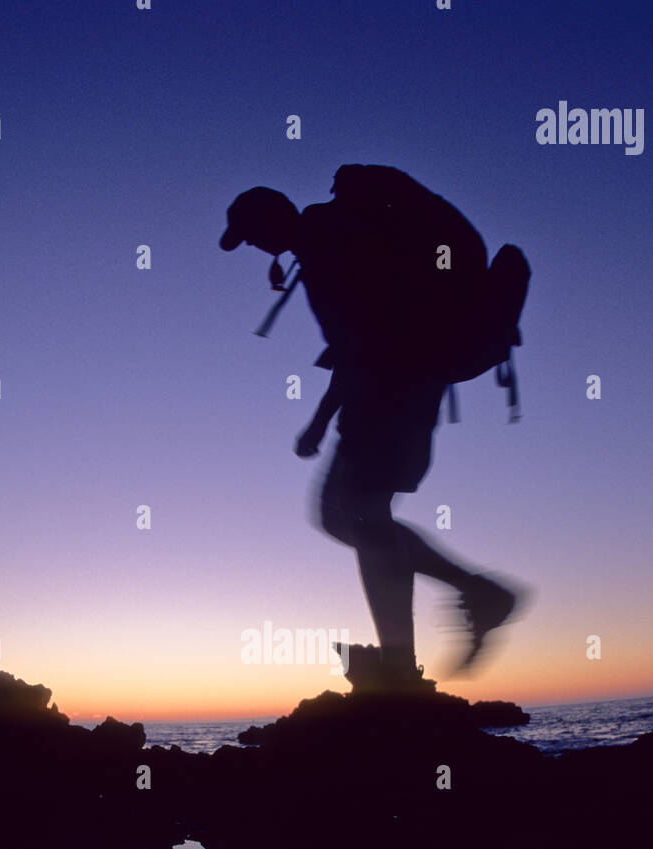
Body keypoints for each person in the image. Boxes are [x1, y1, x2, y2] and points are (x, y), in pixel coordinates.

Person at [220, 176, 523, 689]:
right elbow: (360, 339)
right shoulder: (323, 243)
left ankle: (407, 660)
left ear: (271, 217)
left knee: (360, 518)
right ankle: (461, 605)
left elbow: (370, 336)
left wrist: (321, 419)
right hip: (394, 389)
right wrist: (328, 414)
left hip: (393, 390)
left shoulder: (330, 240)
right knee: (350, 519)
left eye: (250, 234)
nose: (252, 246)